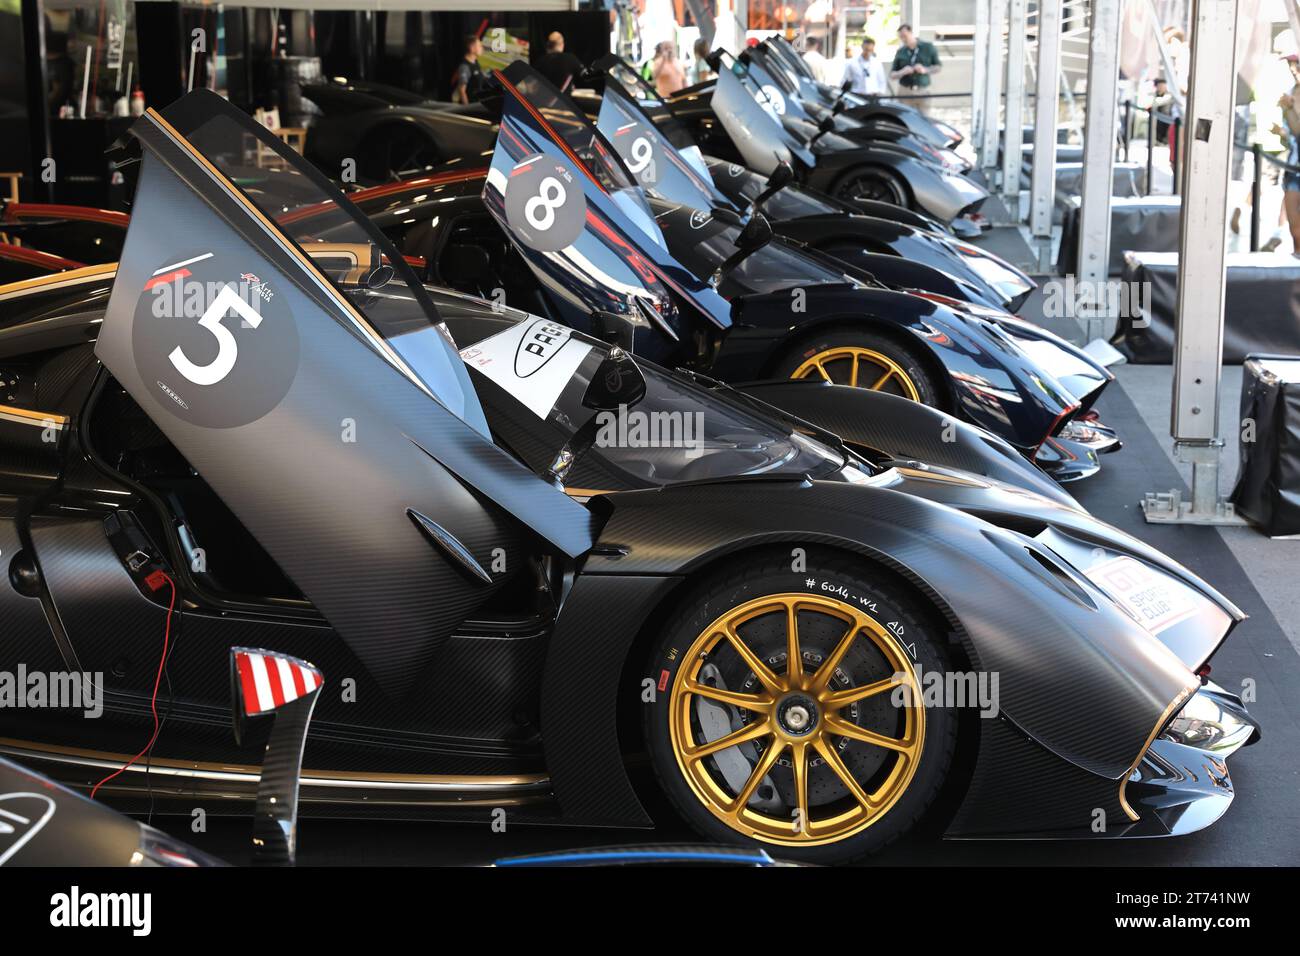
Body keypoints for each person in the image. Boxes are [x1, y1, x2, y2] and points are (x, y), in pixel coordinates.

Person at [889, 23, 941, 115]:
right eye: (901, 37)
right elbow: (892, 75)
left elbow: (938, 67)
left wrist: (925, 70)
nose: (903, 39)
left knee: (924, 118)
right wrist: (902, 72)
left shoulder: (928, 47)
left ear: (911, 33)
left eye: (905, 36)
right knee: (906, 118)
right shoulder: (901, 51)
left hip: (923, 90)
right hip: (905, 90)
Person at [451, 34, 485, 105]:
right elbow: (462, 91)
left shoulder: (475, 62)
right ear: (472, 48)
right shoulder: (464, 66)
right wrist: (468, 109)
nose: (482, 48)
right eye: (479, 46)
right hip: (472, 109)